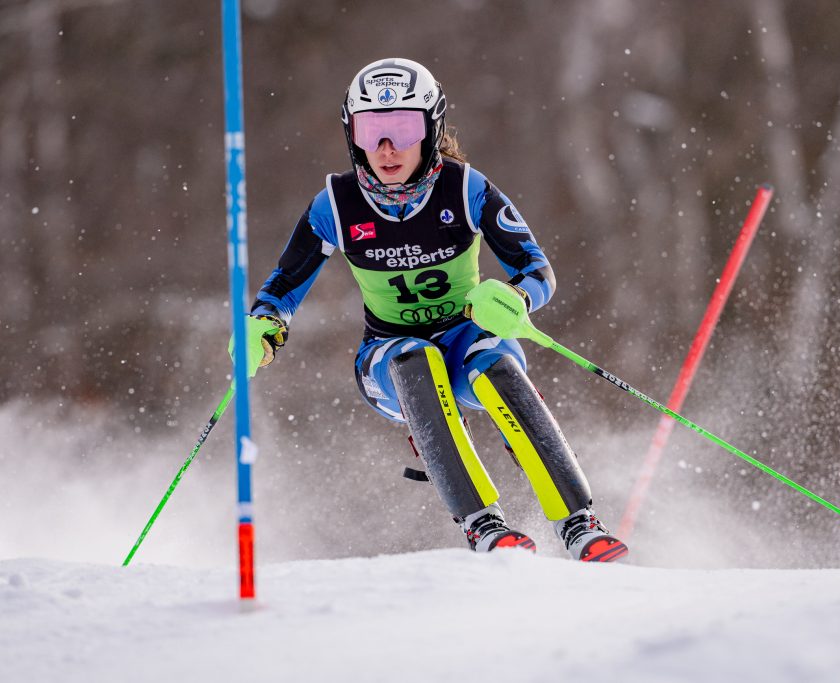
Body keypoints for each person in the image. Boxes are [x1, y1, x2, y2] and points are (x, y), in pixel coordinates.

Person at [239, 57, 627, 562]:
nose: (386, 148)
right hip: (386, 360)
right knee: (416, 359)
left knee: (496, 366)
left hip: (467, 340)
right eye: (371, 130)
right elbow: (284, 285)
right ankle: (482, 523)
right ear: (351, 134)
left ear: (431, 129)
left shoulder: (465, 189)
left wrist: (517, 297)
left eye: (402, 128)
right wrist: (264, 328)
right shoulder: (335, 204)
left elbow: (537, 269)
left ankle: (579, 525)